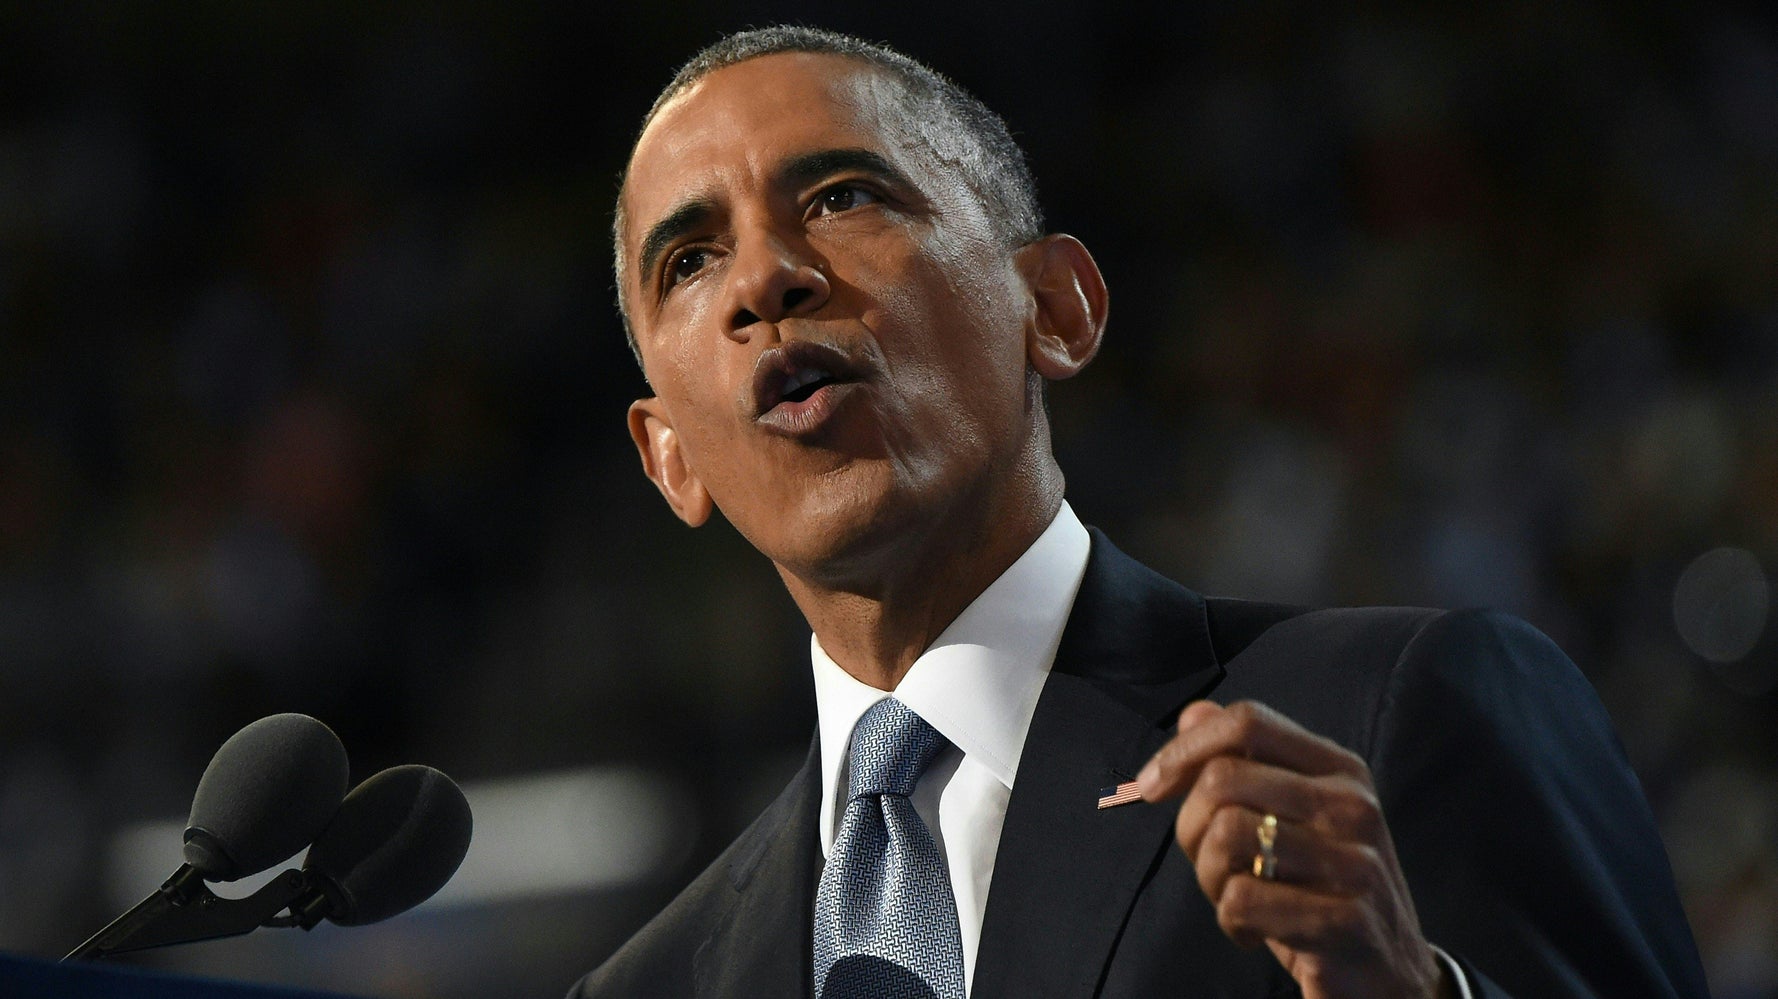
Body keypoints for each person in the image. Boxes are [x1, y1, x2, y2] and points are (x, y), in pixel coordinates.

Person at [570, 25, 1708, 999]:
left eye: (840, 196)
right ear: (670, 460)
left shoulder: (1387, 716)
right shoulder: (650, 982)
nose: (765, 280)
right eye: (688, 260)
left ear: (1053, 309)